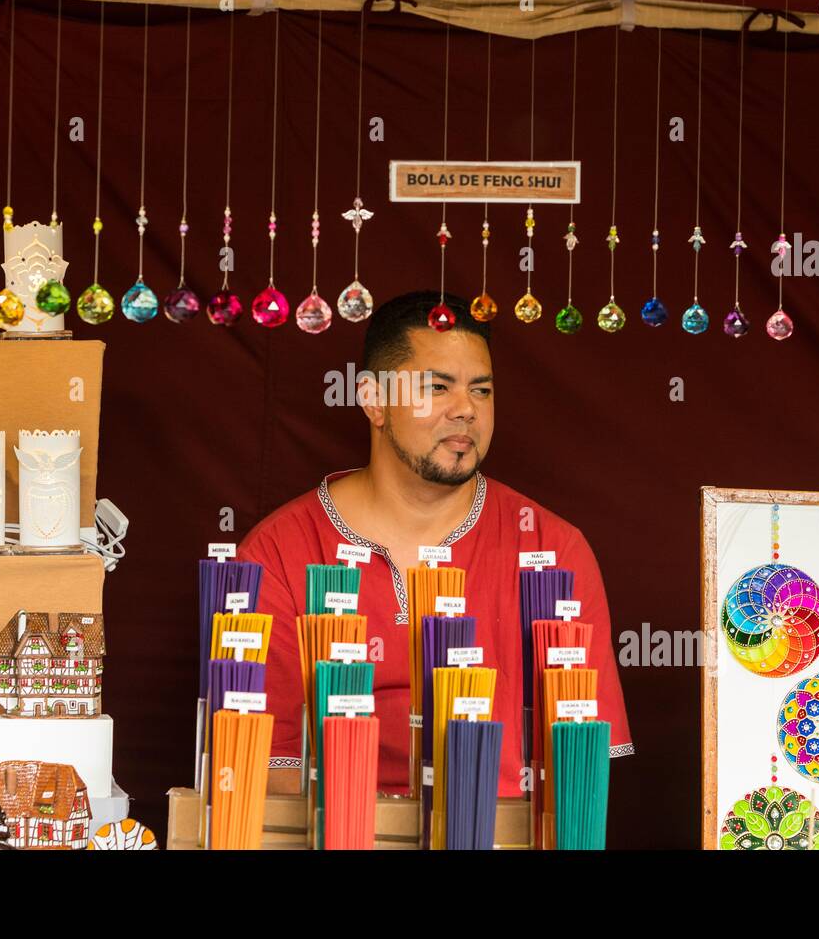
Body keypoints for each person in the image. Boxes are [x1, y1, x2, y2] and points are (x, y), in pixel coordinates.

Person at [238, 291, 632, 796]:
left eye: (482, 391)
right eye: (437, 386)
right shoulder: (279, 553)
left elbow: (580, 776)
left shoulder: (553, 549)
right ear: (373, 399)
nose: (466, 410)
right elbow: (272, 772)